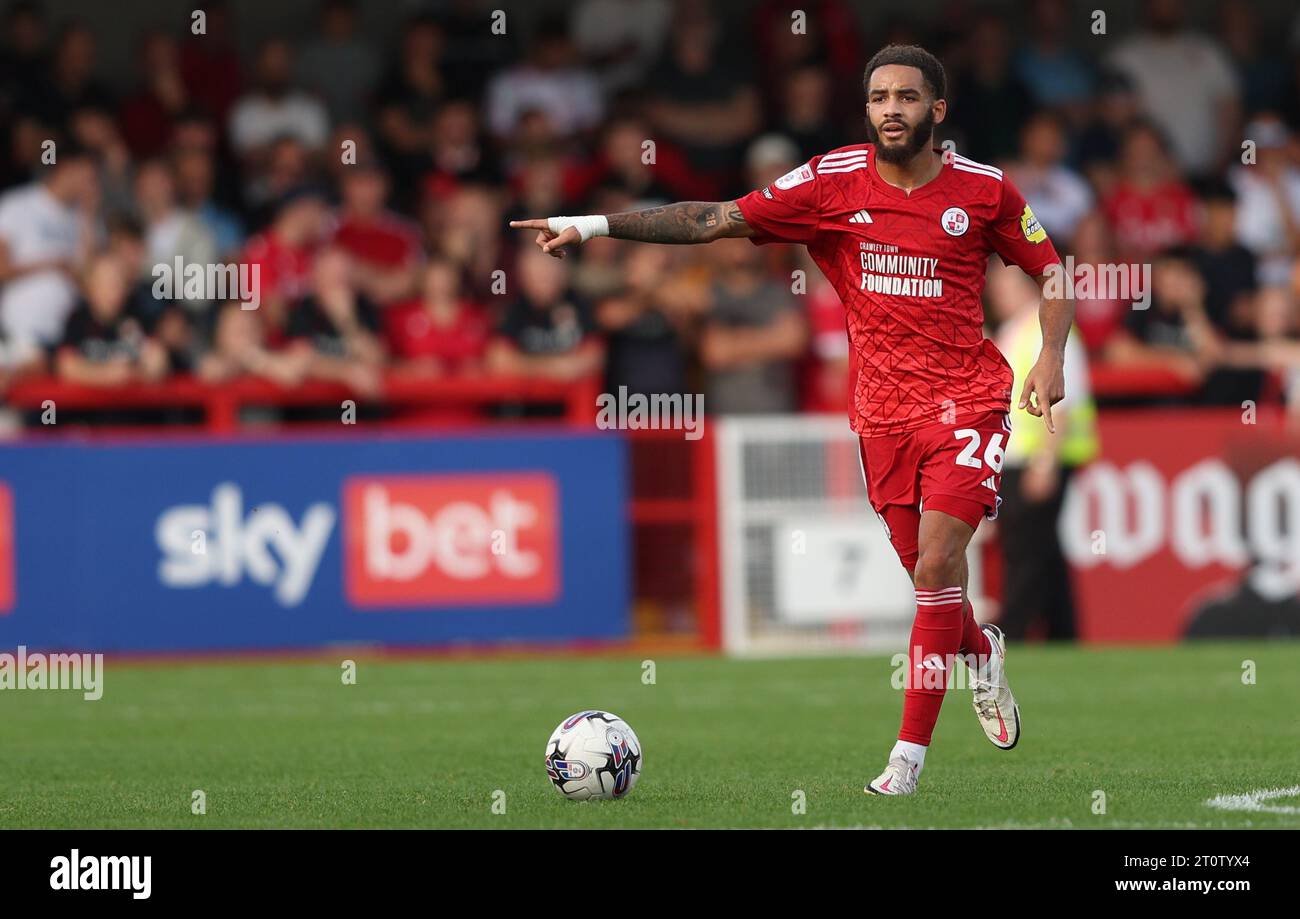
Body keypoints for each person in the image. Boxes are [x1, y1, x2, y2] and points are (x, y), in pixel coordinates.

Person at [512, 45, 1072, 796]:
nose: (891, 109)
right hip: (880, 414)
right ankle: (981, 651)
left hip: (965, 398)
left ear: (937, 111)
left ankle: (905, 761)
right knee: (927, 578)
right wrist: (591, 224)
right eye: (878, 97)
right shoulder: (830, 182)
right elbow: (712, 219)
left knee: (939, 564)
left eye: (908, 97)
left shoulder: (985, 191)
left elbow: (1055, 272)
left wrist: (1051, 357)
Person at [989, 263, 1097, 642]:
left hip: (1038, 459)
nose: (996, 292)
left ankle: (1011, 633)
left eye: (1003, 284)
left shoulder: (1048, 333)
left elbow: (1066, 404)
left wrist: (1046, 461)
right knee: (1044, 551)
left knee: (1026, 552)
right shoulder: (1015, 331)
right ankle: (1063, 633)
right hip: (1020, 460)